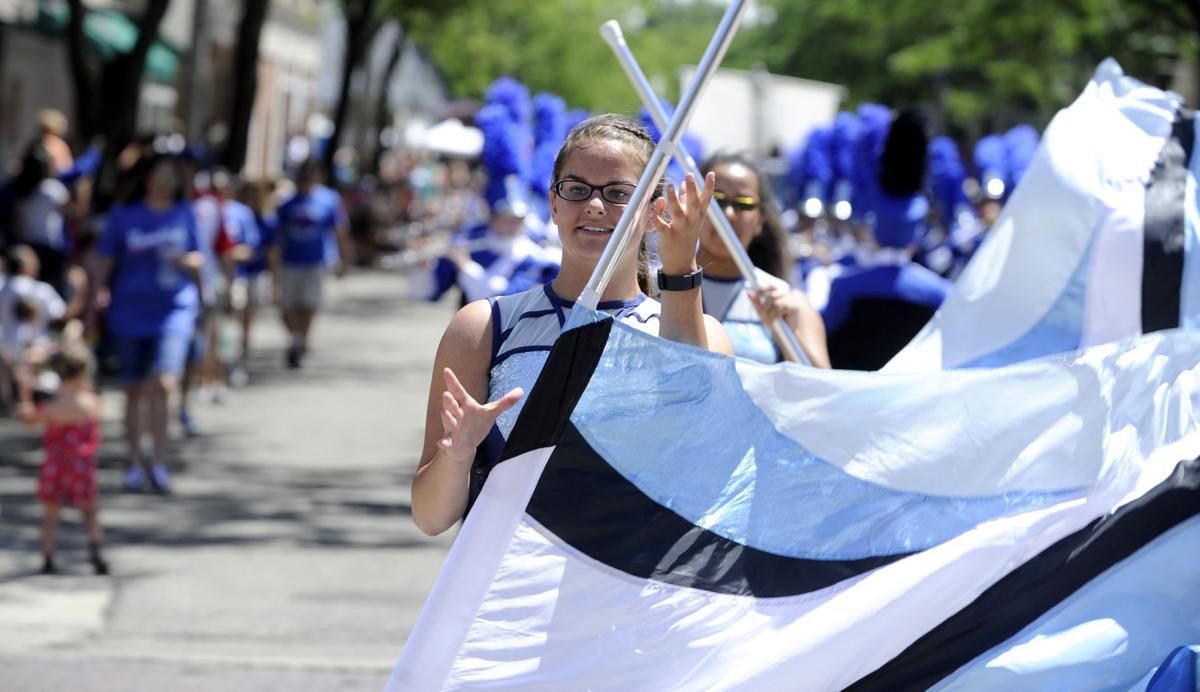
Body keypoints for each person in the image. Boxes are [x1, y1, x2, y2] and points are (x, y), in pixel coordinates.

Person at [411, 114, 733, 537]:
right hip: (509, 574)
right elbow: (430, 518)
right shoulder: (484, 327)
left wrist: (681, 271)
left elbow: (699, 466)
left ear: (654, 211)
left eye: (618, 193)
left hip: (628, 574)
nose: (595, 205)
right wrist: (458, 456)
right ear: (553, 203)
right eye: (577, 189)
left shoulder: (704, 334)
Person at [92, 153, 204, 493]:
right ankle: (134, 463)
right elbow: (104, 261)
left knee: (165, 384)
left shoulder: (185, 213)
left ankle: (159, 462)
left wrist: (188, 265)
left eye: (173, 177)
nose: (167, 183)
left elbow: (199, 257)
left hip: (173, 311)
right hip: (129, 311)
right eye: (161, 175)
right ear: (147, 179)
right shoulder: (124, 216)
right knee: (134, 391)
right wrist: (92, 305)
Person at [697, 153, 830, 367]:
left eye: (744, 204)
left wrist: (788, 331)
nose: (729, 214)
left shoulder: (787, 301)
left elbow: (821, 383)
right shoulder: (658, 286)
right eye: (717, 199)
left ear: (760, 221)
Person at [18, 345, 107, 575]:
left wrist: (26, 394)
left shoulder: (51, 406)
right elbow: (96, 426)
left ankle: (48, 557)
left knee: (51, 513)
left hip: (55, 465)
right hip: (82, 465)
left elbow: (29, 419)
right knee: (90, 511)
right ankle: (95, 547)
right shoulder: (91, 402)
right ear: (85, 373)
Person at [271, 159, 353, 368]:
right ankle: (296, 337)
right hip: (290, 261)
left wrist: (345, 260)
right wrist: (273, 270)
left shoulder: (329, 200)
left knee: (308, 305)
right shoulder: (286, 203)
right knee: (287, 307)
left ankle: (300, 342)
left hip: (316, 262)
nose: (306, 181)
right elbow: (276, 238)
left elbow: (340, 232)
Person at [0, 245, 66, 409]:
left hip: (8, 349)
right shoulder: (41, 290)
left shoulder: (2, 287)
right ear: (25, 266)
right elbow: (60, 314)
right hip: (36, 352)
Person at [10, 144, 70, 292]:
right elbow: (71, 211)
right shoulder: (52, 188)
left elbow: (15, 221)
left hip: (26, 247)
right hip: (48, 250)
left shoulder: (20, 189)